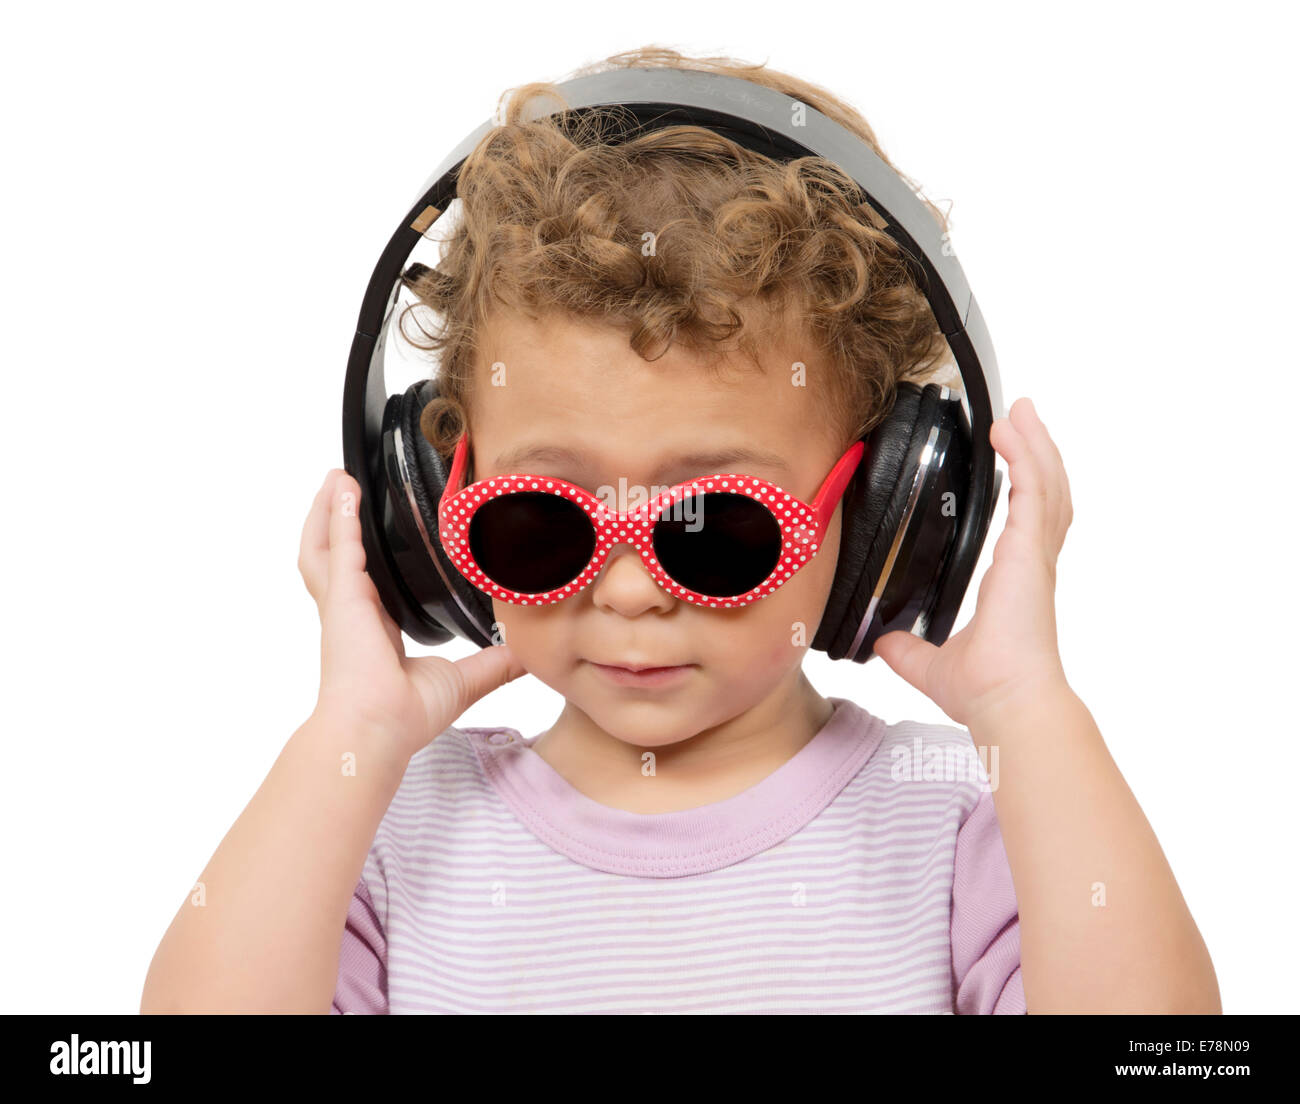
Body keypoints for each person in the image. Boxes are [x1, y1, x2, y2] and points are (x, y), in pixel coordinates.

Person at [140, 45, 1219, 1014]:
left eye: (713, 527)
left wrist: (1028, 715)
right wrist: (351, 738)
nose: (624, 591)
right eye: (538, 524)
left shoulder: (954, 820)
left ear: (886, 513)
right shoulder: (382, 824)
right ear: (431, 502)